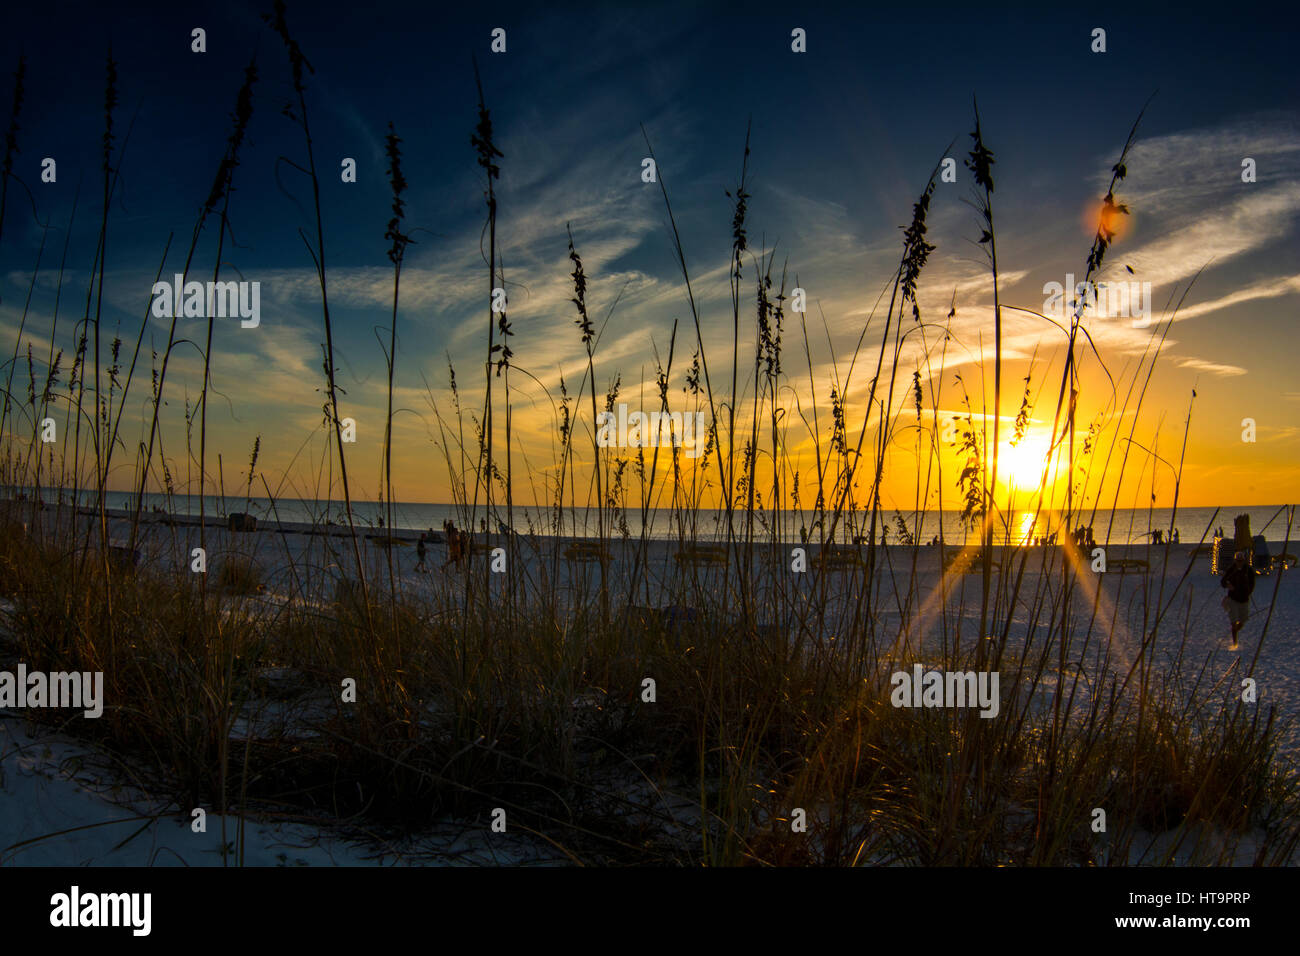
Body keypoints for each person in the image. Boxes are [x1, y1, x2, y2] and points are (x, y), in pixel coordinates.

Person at [1220, 551, 1256, 649]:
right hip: (1233, 599)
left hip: (1244, 599)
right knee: (1233, 620)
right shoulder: (1231, 569)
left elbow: (1252, 584)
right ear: (1235, 560)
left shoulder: (1248, 570)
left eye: (1241, 561)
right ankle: (1235, 642)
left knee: (1243, 620)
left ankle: (1235, 631)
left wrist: (1248, 592)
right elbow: (1223, 582)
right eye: (1237, 561)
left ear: (1244, 561)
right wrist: (1228, 585)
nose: (1239, 562)